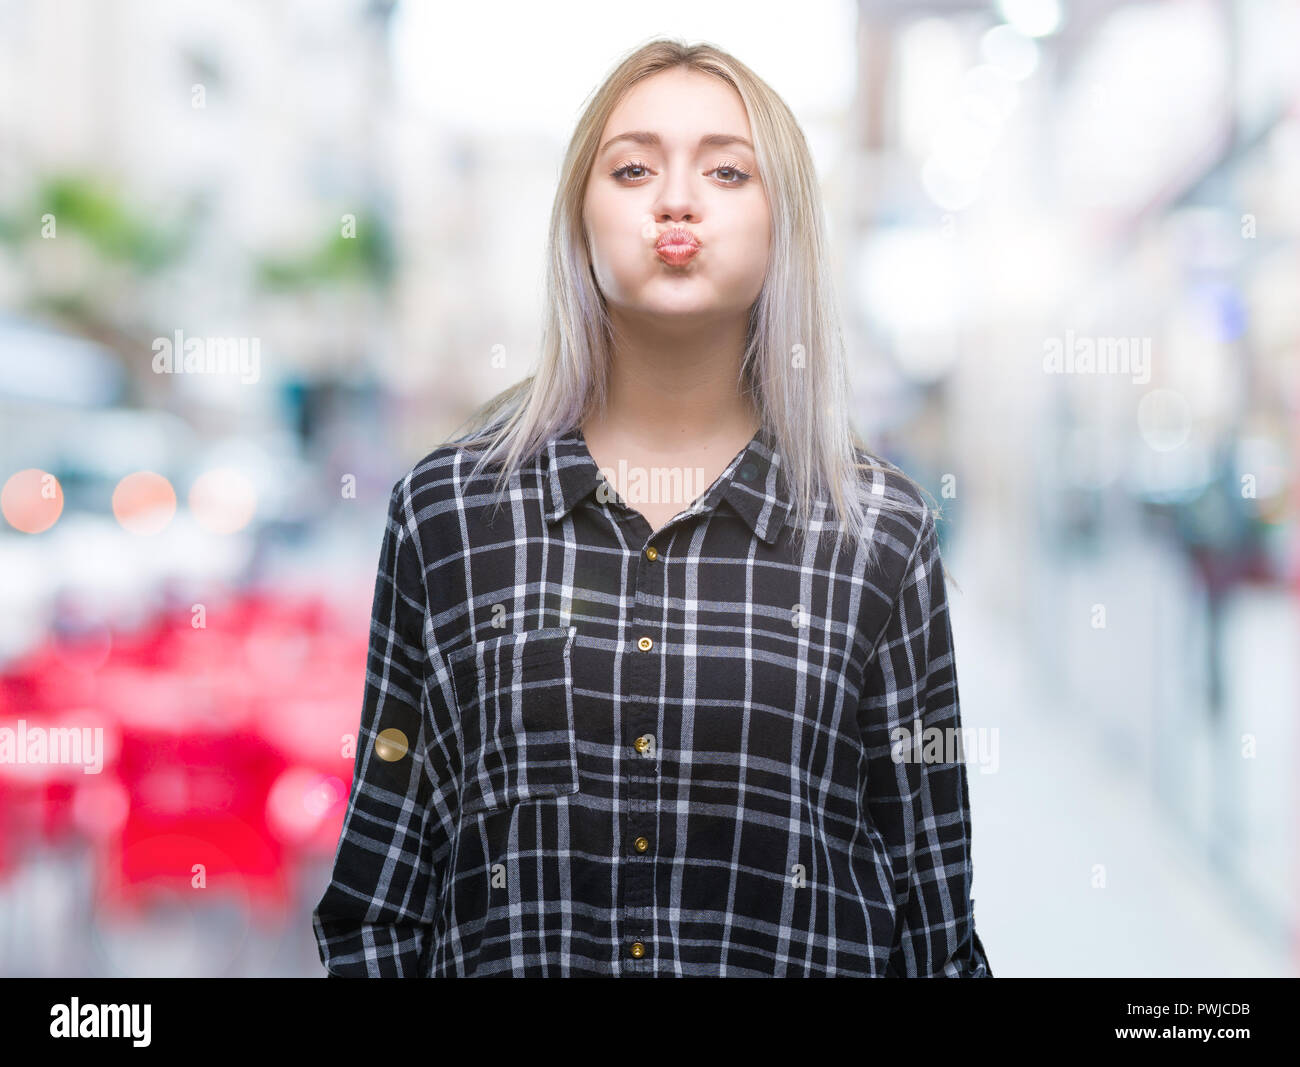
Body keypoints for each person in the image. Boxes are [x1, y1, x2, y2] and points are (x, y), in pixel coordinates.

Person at [312, 37, 992, 977]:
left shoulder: (880, 535)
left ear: (782, 223)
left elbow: (936, 921)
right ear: (578, 221)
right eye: (632, 168)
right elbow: (380, 896)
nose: (676, 199)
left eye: (726, 169)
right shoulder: (448, 516)